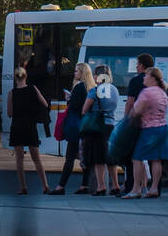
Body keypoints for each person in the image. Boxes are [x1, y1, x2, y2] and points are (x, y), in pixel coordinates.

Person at [127, 66, 168, 198]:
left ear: (152, 78)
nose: (144, 78)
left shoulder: (147, 92)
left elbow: (137, 110)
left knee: (137, 158)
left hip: (149, 129)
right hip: (162, 127)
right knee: (156, 159)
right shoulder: (162, 92)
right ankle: (154, 188)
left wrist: (131, 115)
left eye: (146, 76)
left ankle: (136, 189)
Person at [53, 62, 94, 194]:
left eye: (77, 71)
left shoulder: (79, 87)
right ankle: (84, 185)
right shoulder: (91, 88)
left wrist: (68, 98)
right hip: (87, 126)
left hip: (76, 128)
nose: (74, 73)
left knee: (69, 158)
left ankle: (61, 186)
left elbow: (75, 106)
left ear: (82, 73)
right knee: (84, 157)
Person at [7, 66, 49, 194]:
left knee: (19, 160)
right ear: (26, 76)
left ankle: (23, 187)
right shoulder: (33, 89)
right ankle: (45, 186)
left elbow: (9, 113)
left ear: (15, 78)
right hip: (30, 126)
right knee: (36, 158)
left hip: (17, 127)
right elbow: (45, 104)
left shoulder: (11, 93)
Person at [81, 64, 121, 196]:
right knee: (110, 157)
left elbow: (84, 109)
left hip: (98, 126)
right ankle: (115, 185)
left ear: (98, 76)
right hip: (110, 125)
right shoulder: (115, 90)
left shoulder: (94, 90)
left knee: (98, 158)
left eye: (94, 75)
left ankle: (101, 186)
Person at [120, 54, 154, 196]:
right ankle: (152, 188)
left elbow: (130, 101)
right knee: (152, 157)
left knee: (134, 156)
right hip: (153, 122)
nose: (136, 66)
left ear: (141, 65)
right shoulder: (157, 81)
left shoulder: (135, 81)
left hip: (137, 121)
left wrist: (125, 119)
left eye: (137, 63)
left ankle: (132, 187)